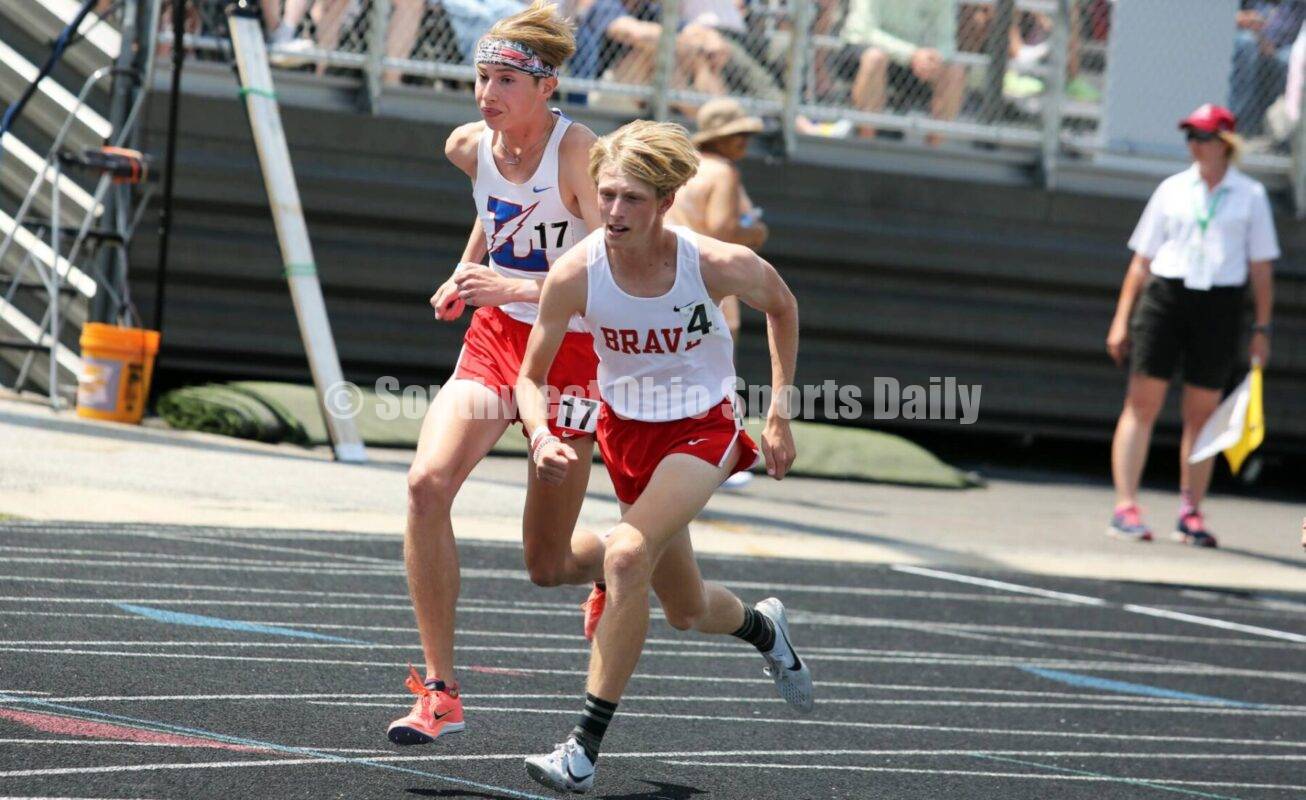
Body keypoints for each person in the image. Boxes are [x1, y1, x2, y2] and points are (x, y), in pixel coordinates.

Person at [514, 120, 812, 793]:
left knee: (625, 555)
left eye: (634, 200)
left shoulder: (712, 262)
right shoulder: (576, 273)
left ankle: (581, 751)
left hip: (702, 428)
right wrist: (540, 435)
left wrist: (779, 408)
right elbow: (529, 378)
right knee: (684, 607)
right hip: (627, 435)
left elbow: (783, 305)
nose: (615, 213)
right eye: (609, 195)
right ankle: (766, 630)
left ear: (668, 200)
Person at [387, 1, 610, 747]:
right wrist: (465, 269)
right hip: (493, 345)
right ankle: (441, 690)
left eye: (506, 79)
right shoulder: (468, 147)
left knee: (547, 565)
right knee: (425, 485)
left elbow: (610, 276)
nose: (487, 93)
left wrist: (510, 286)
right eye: (481, 76)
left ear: (546, 87)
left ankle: (619, 561)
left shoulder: (582, 156)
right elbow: (495, 213)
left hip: (571, 356)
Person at [1105, 103, 1278, 548]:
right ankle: (1126, 506)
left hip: (1219, 305)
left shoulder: (1250, 196)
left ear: (1225, 143)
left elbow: (1261, 269)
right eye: (1191, 137)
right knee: (1142, 402)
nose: (1195, 146)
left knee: (1202, 415)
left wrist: (1262, 329)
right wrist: (1122, 320)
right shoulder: (1171, 189)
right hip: (1167, 296)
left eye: (1203, 137)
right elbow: (1141, 261)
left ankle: (1190, 511)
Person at [667, 97, 770, 488]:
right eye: (737, 134)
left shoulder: (680, 167)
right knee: (718, 374)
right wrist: (756, 233)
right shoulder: (724, 172)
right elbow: (723, 228)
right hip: (708, 285)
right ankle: (722, 457)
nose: (744, 140)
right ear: (719, 138)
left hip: (666, 280)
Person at [839, 0, 967, 141]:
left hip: (914, 62)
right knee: (875, 58)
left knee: (955, 71)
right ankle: (866, 144)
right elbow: (865, 31)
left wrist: (933, 58)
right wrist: (911, 54)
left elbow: (947, 42)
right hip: (864, 49)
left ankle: (933, 151)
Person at [1230, 1, 1306, 136]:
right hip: (1255, 45)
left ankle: (1285, 137)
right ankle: (1240, 127)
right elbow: (1230, 17)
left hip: (1286, 49)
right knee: (1246, 43)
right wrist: (1240, 18)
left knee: (1289, 60)